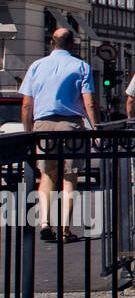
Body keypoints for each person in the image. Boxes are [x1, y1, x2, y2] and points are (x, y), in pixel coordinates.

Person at [19, 29, 97, 242]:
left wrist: (29, 132)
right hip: (70, 125)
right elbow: (89, 102)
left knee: (47, 175)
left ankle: (45, 222)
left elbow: (27, 104)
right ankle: (64, 229)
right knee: (70, 177)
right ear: (73, 43)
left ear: (52, 42)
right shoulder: (81, 66)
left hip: (43, 125)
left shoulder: (36, 66)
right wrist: (96, 128)